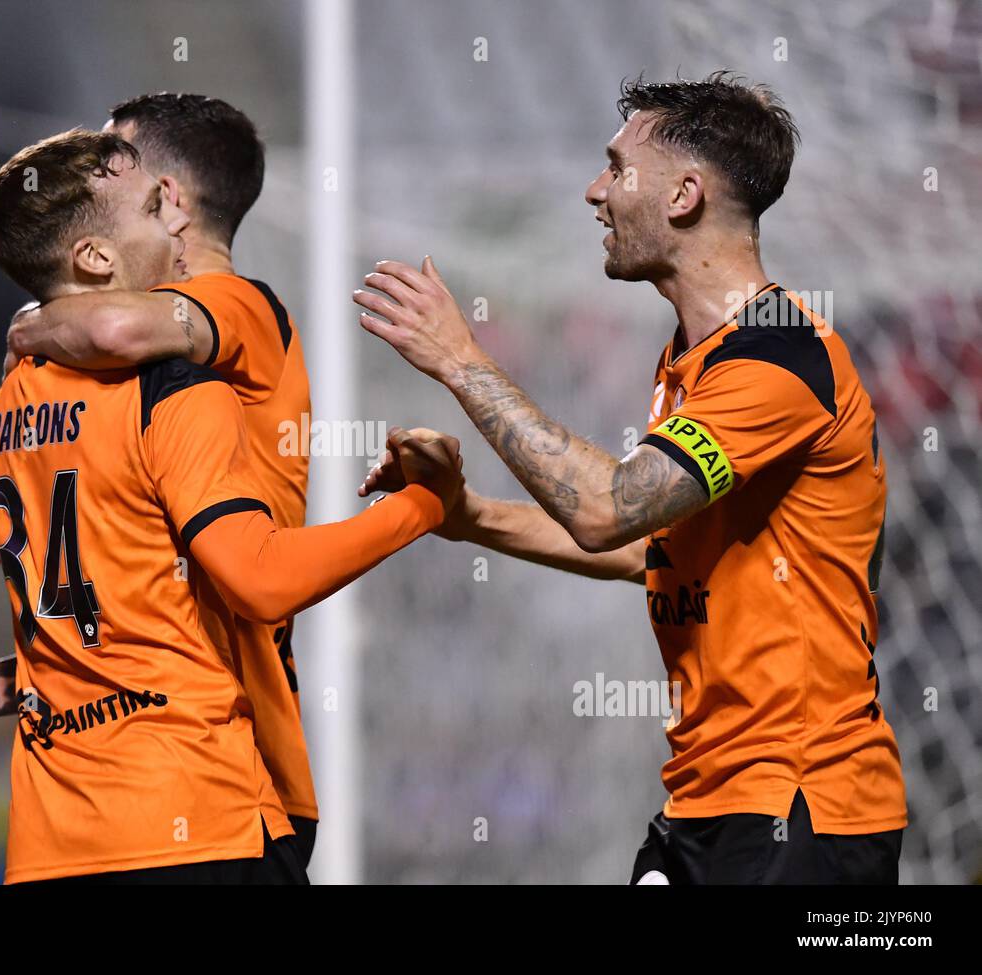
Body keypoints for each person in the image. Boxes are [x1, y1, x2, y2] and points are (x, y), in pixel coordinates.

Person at [355, 72, 905, 884]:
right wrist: (465, 514)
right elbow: (653, 546)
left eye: (617, 168)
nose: (594, 191)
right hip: (709, 802)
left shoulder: (781, 356)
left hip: (802, 808)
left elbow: (611, 509)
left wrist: (460, 360)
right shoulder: (691, 361)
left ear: (684, 195)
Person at [0, 128, 463, 884]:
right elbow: (257, 578)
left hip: (49, 847)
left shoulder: (6, 409)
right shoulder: (179, 384)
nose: (175, 225)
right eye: (154, 208)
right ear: (96, 256)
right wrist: (422, 506)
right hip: (198, 816)